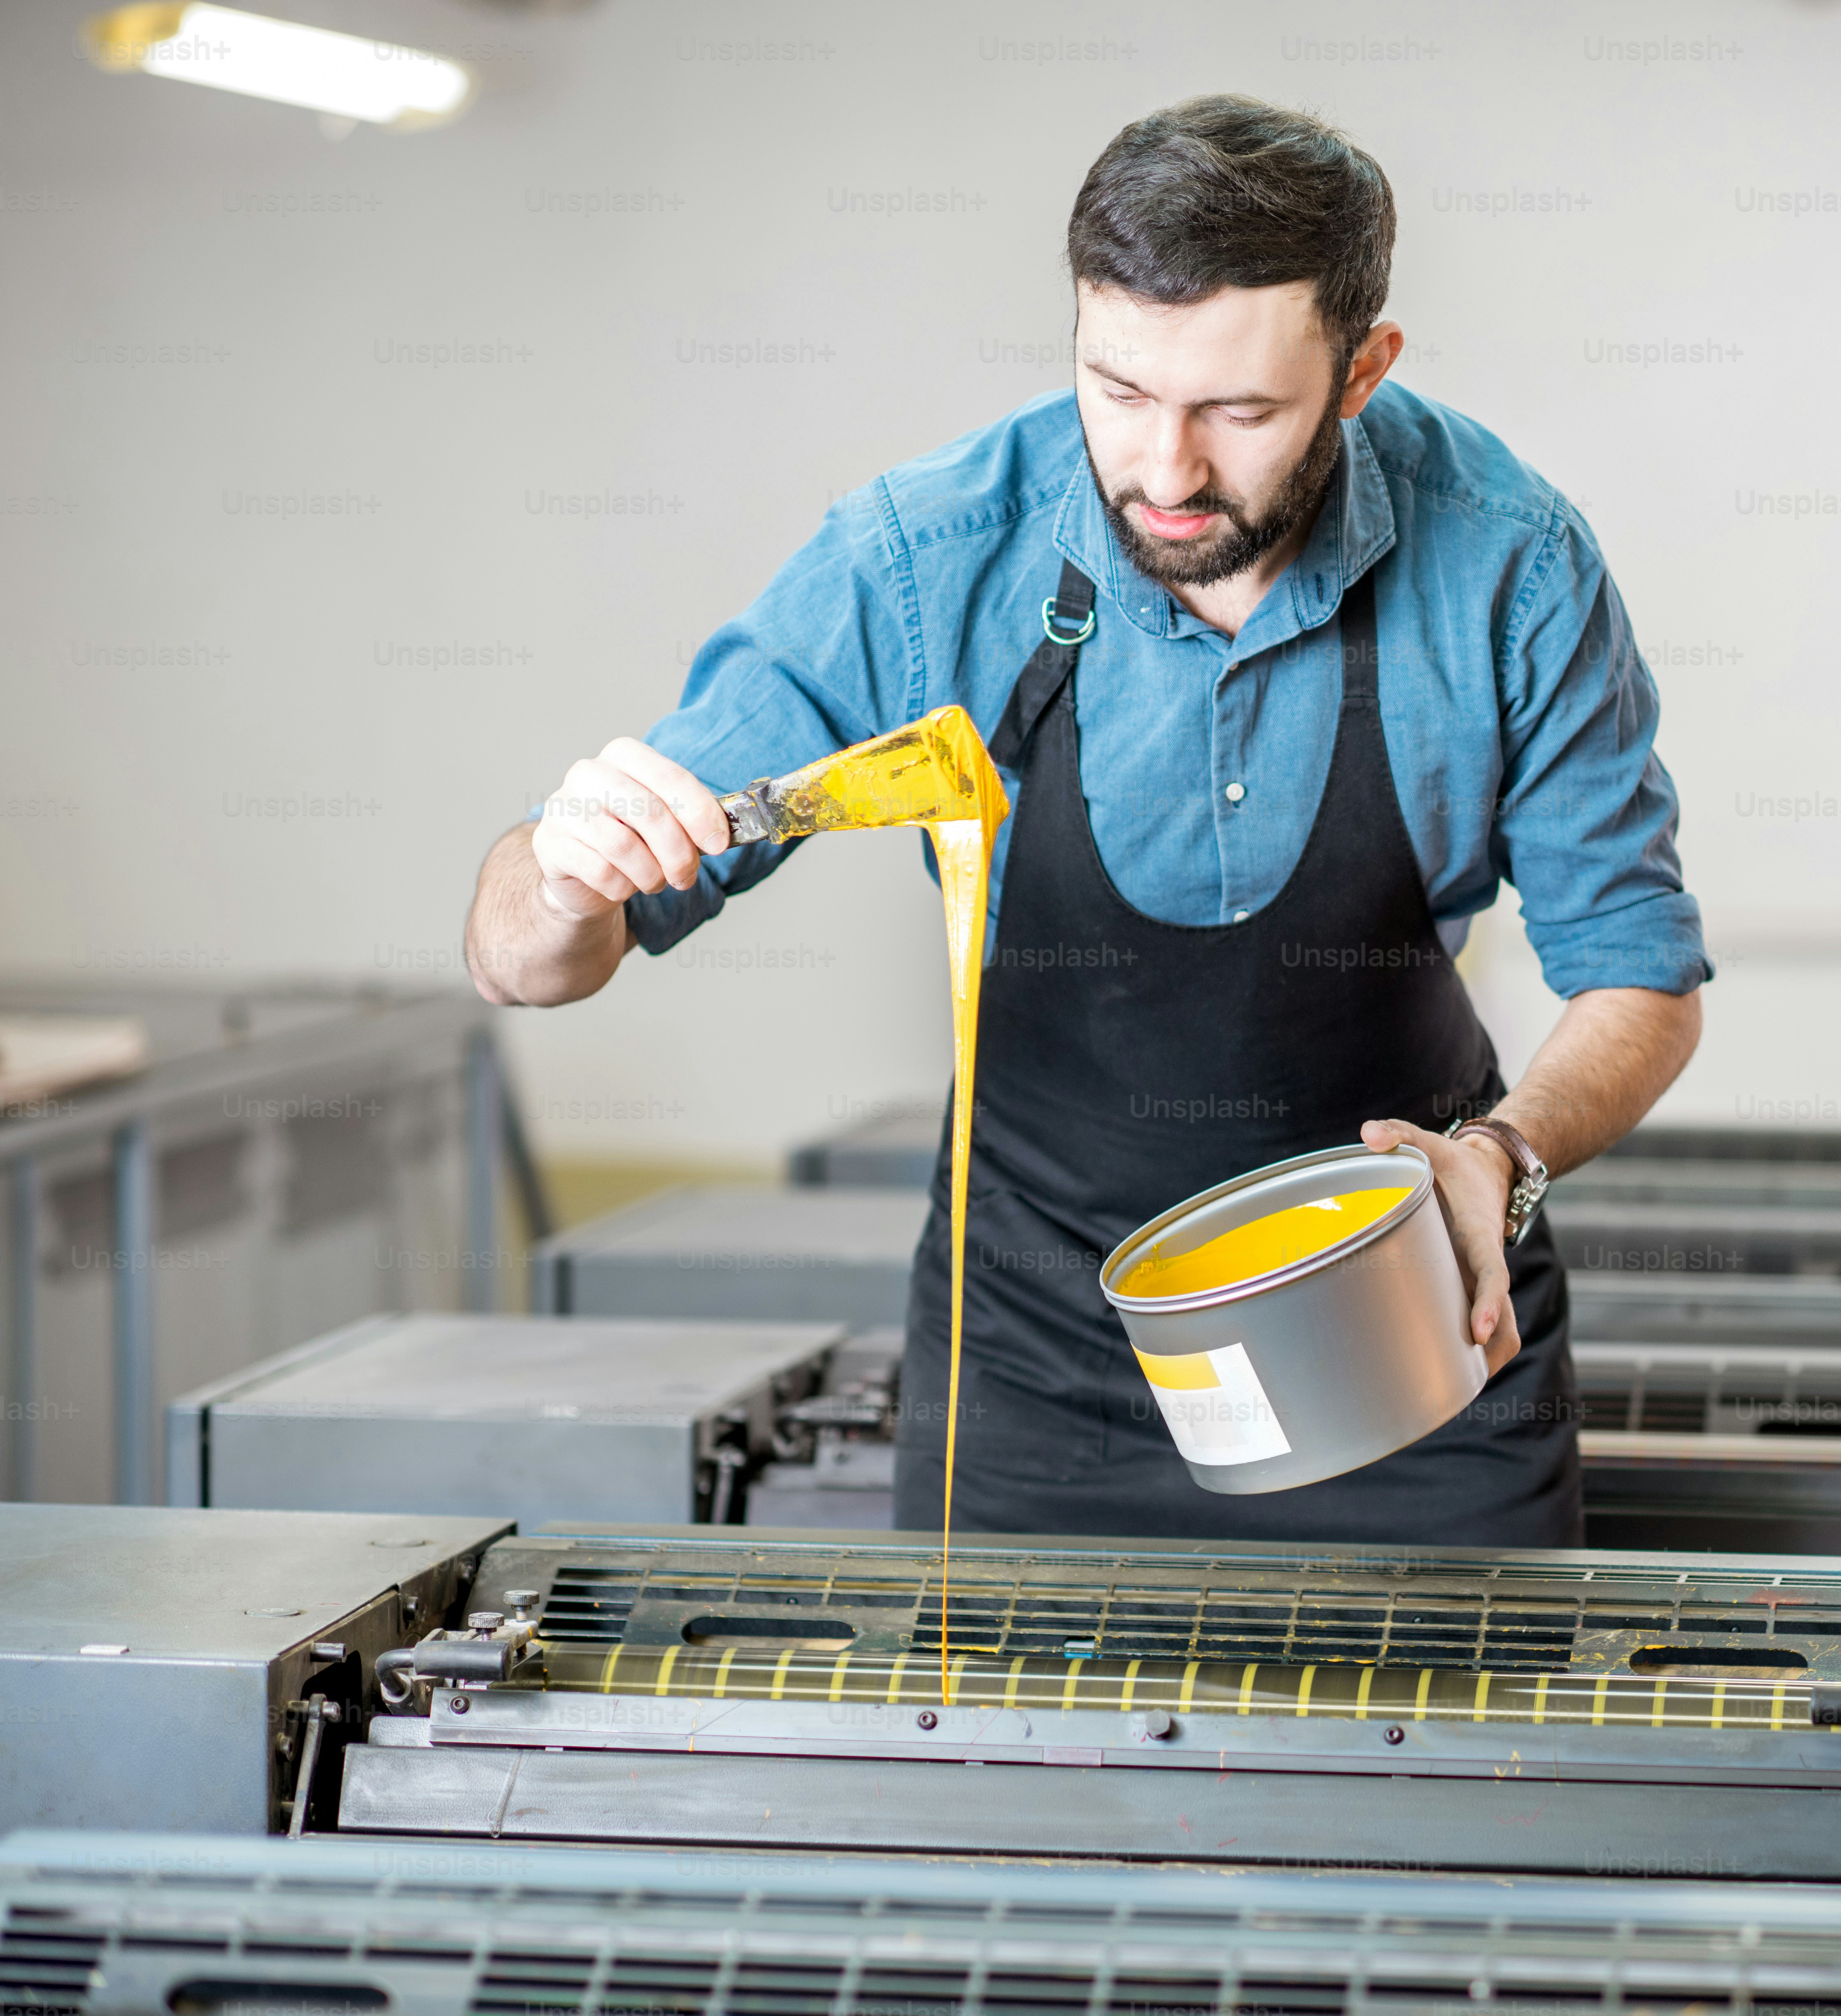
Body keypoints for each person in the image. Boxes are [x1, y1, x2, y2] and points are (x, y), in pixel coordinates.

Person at [463, 95, 1706, 1546]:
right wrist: (564, 883)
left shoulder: (1508, 563)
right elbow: (523, 959)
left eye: (1240, 413)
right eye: (1118, 391)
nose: (1167, 471)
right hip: (1039, 1381)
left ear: (1363, 371)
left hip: (1417, 1348)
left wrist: (1506, 1156)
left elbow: (1641, 976)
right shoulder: (929, 561)